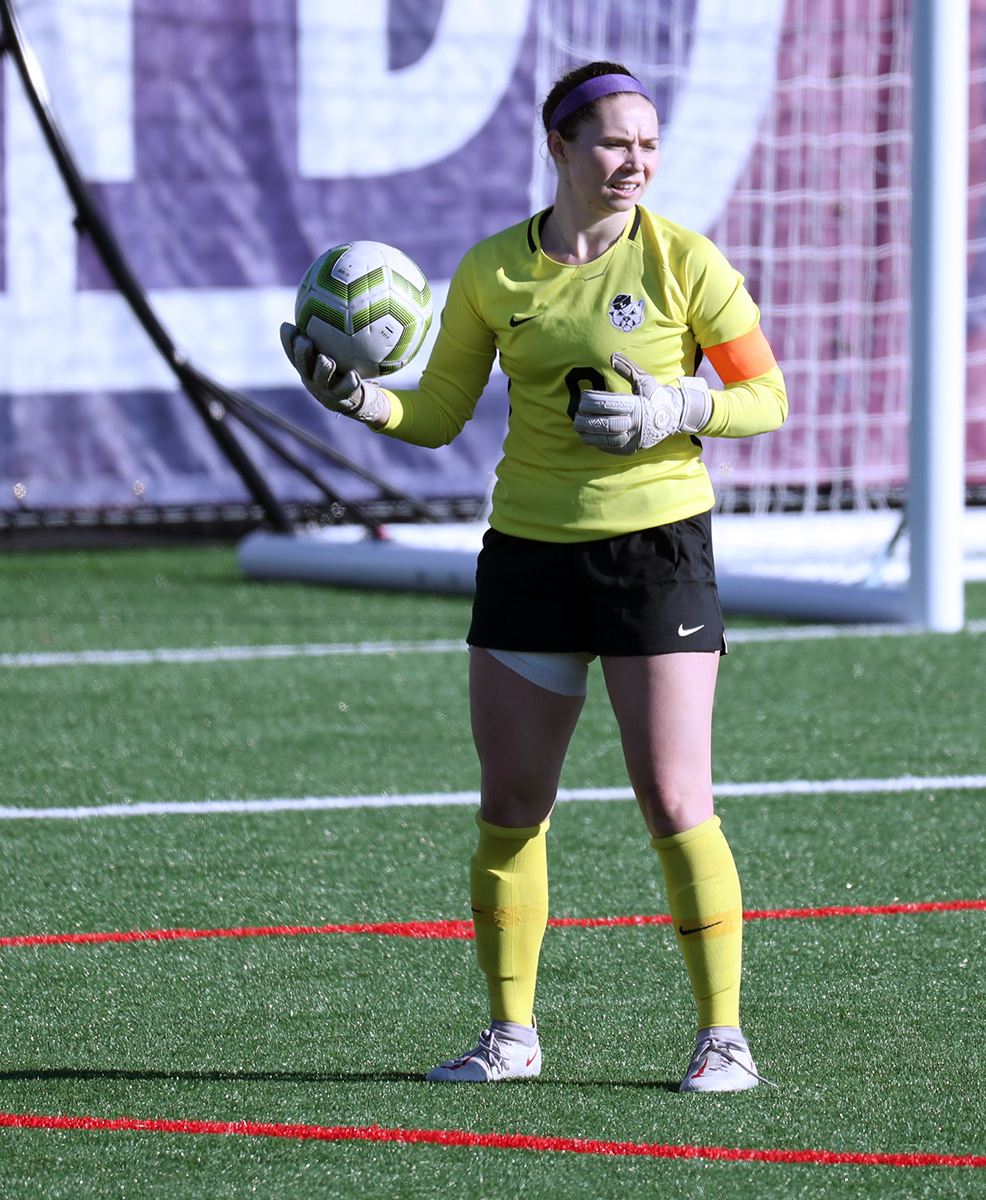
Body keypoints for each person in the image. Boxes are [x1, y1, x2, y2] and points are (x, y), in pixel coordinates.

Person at [279, 61, 788, 1092]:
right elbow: (437, 416)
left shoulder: (686, 262)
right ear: (558, 149)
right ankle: (510, 1034)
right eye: (612, 141)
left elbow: (766, 396)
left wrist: (680, 409)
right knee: (513, 800)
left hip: (658, 554)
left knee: (676, 796)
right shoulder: (491, 273)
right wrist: (359, 403)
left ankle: (723, 1035)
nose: (635, 160)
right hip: (527, 554)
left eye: (648, 142)